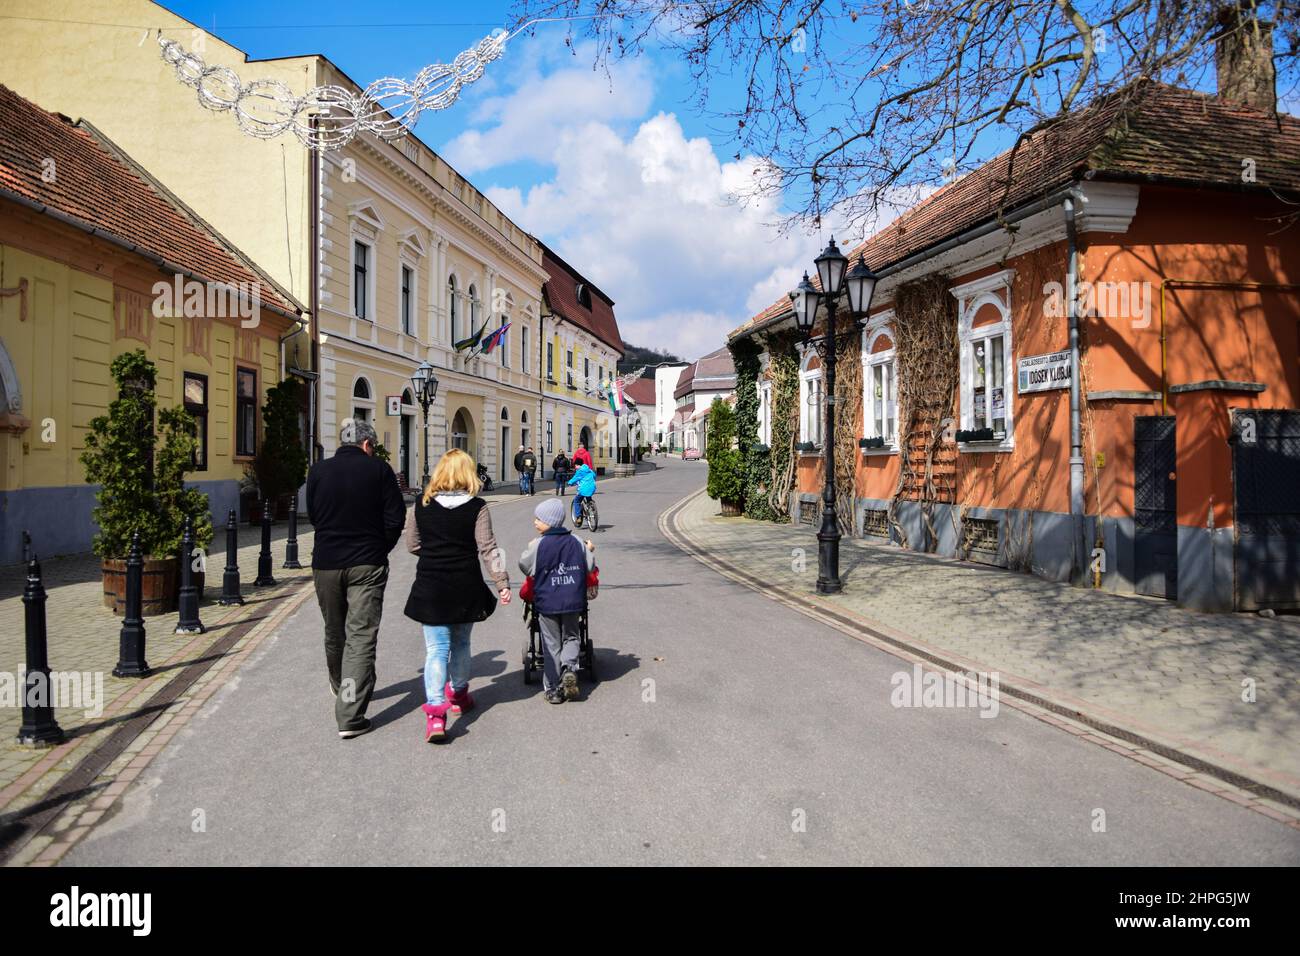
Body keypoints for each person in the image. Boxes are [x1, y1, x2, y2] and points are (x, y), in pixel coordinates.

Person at [306, 418, 405, 740]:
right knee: (361, 636)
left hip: (325, 563)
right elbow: (395, 518)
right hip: (367, 563)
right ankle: (350, 712)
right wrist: (380, 548)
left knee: (335, 631)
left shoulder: (318, 470)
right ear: (367, 444)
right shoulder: (379, 470)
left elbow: (313, 515)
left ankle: (342, 687)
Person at [404, 449, 511, 742]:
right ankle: (459, 695)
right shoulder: (478, 507)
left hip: (431, 584)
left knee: (436, 650)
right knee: (462, 642)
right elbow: (489, 548)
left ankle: (435, 716)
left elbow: (412, 544)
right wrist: (502, 582)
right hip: (465, 584)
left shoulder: (421, 504)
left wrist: (435, 553)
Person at [519, 498, 595, 703]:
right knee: (572, 636)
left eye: (539, 519)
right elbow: (589, 567)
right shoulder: (578, 542)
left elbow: (524, 566)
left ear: (550, 521)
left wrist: (531, 549)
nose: (535, 522)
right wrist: (590, 550)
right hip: (572, 601)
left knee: (551, 643)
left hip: (547, 603)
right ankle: (568, 667)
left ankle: (552, 689)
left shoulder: (539, 545)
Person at [567, 459, 597, 523]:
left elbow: (575, 478)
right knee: (588, 497)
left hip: (583, 489)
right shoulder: (589, 469)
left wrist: (569, 482)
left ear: (578, 465)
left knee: (576, 501)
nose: (575, 467)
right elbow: (594, 476)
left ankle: (578, 517)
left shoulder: (580, 471)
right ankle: (591, 506)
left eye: (575, 466)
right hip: (592, 487)